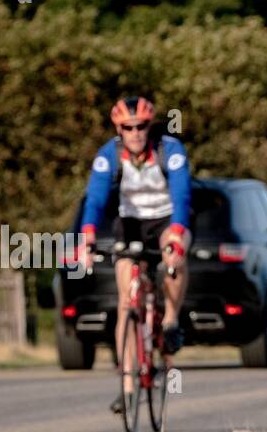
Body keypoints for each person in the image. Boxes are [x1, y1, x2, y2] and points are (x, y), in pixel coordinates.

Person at [78, 96, 191, 414]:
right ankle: (127, 387)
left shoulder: (169, 150)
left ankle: (169, 319)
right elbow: (95, 201)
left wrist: (178, 238)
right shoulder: (109, 155)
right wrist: (87, 237)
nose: (136, 133)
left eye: (141, 126)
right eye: (128, 128)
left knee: (174, 255)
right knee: (127, 301)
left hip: (167, 218)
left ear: (149, 126)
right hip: (129, 223)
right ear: (119, 129)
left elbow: (182, 197)